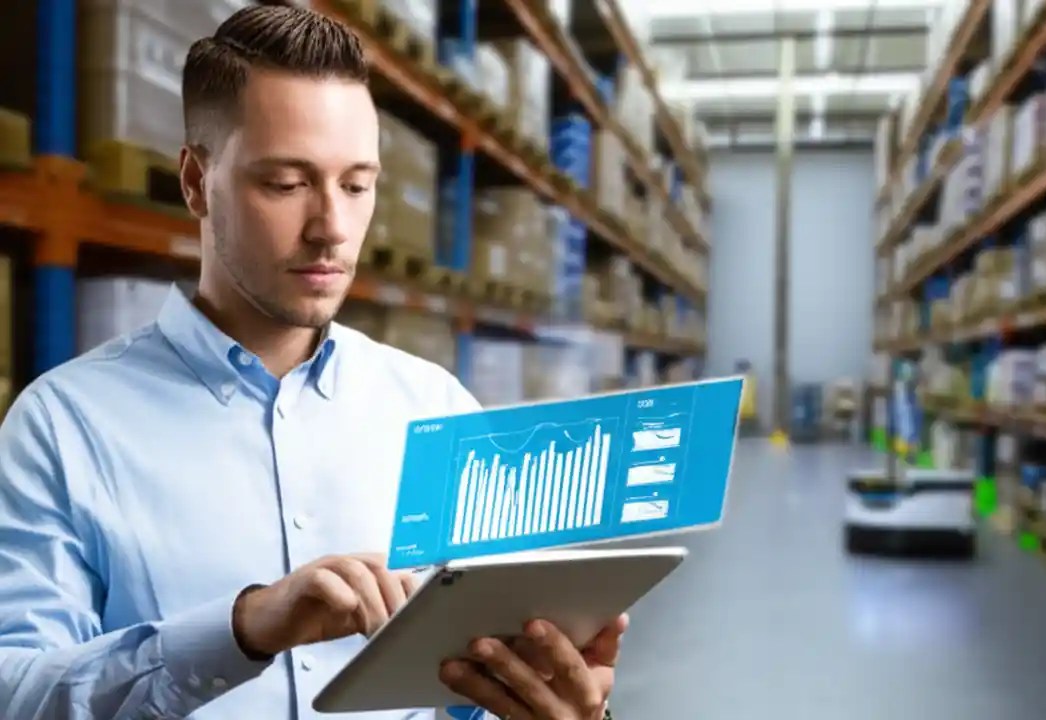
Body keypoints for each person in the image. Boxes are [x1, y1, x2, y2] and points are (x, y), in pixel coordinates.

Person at [0, 6, 623, 719]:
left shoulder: (434, 408)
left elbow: (482, 683)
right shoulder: (63, 426)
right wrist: (242, 630)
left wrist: (564, 707)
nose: (331, 228)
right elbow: (16, 691)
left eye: (357, 185)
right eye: (288, 184)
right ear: (196, 182)